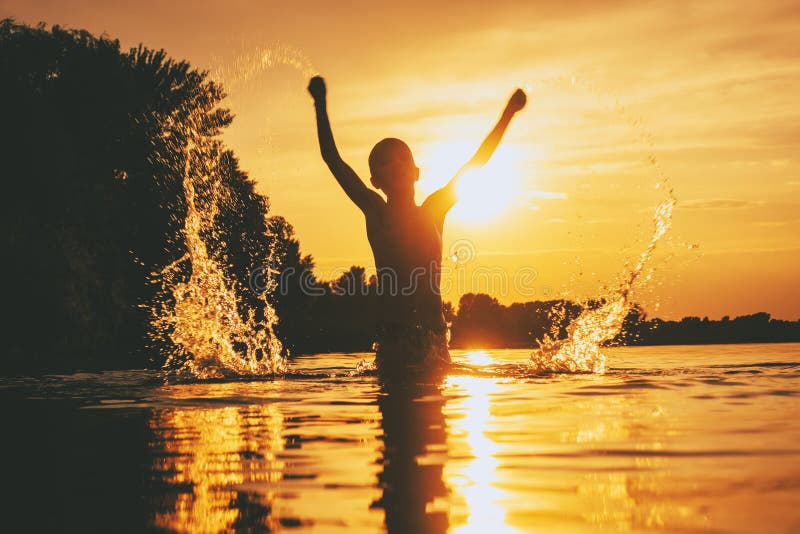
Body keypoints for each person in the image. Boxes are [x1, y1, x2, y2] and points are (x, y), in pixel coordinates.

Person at [308, 76, 526, 374]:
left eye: (401, 158)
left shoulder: (435, 208)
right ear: (375, 181)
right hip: (392, 343)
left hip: (433, 341)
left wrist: (508, 114)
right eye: (384, 162)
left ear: (416, 172)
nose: (394, 164)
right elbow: (333, 159)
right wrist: (320, 104)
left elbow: (477, 161)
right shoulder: (374, 210)